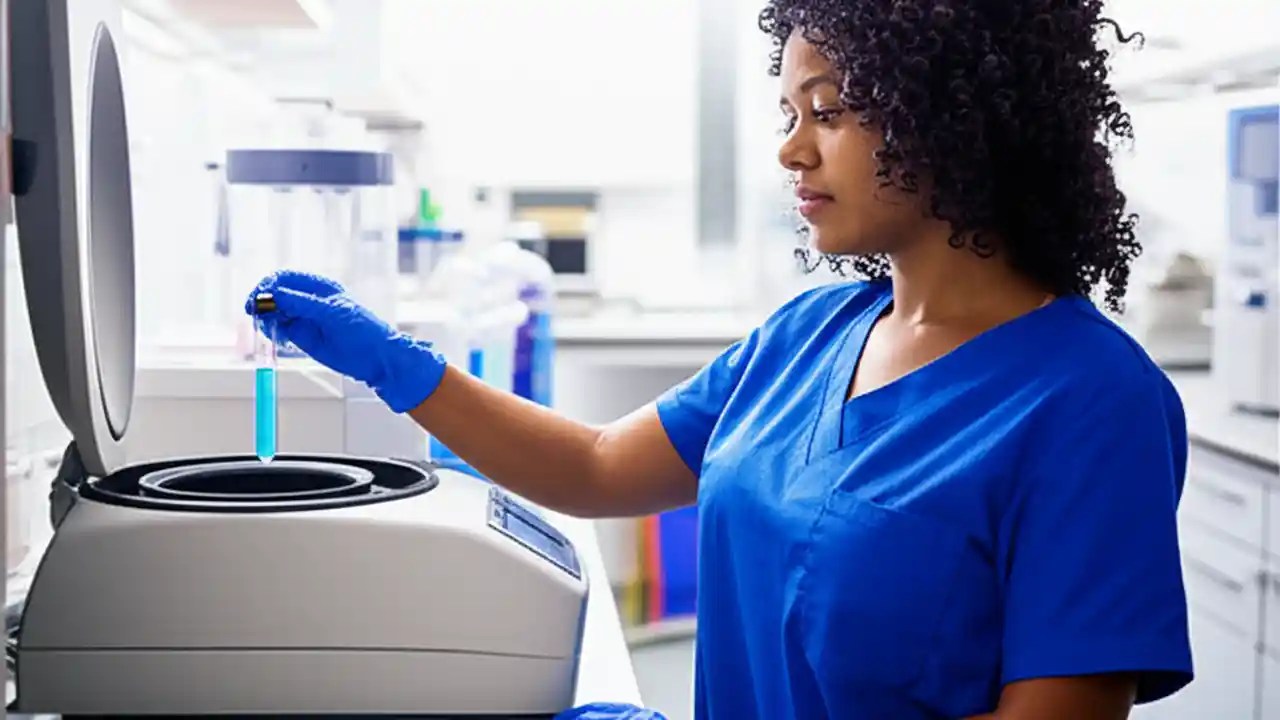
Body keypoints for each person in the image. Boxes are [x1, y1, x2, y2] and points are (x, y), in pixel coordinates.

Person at [247, 1, 1192, 717]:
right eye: (788, 113)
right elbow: (595, 466)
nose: (791, 151)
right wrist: (397, 367)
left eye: (827, 111)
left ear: (952, 114)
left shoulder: (1091, 399)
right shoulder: (810, 333)